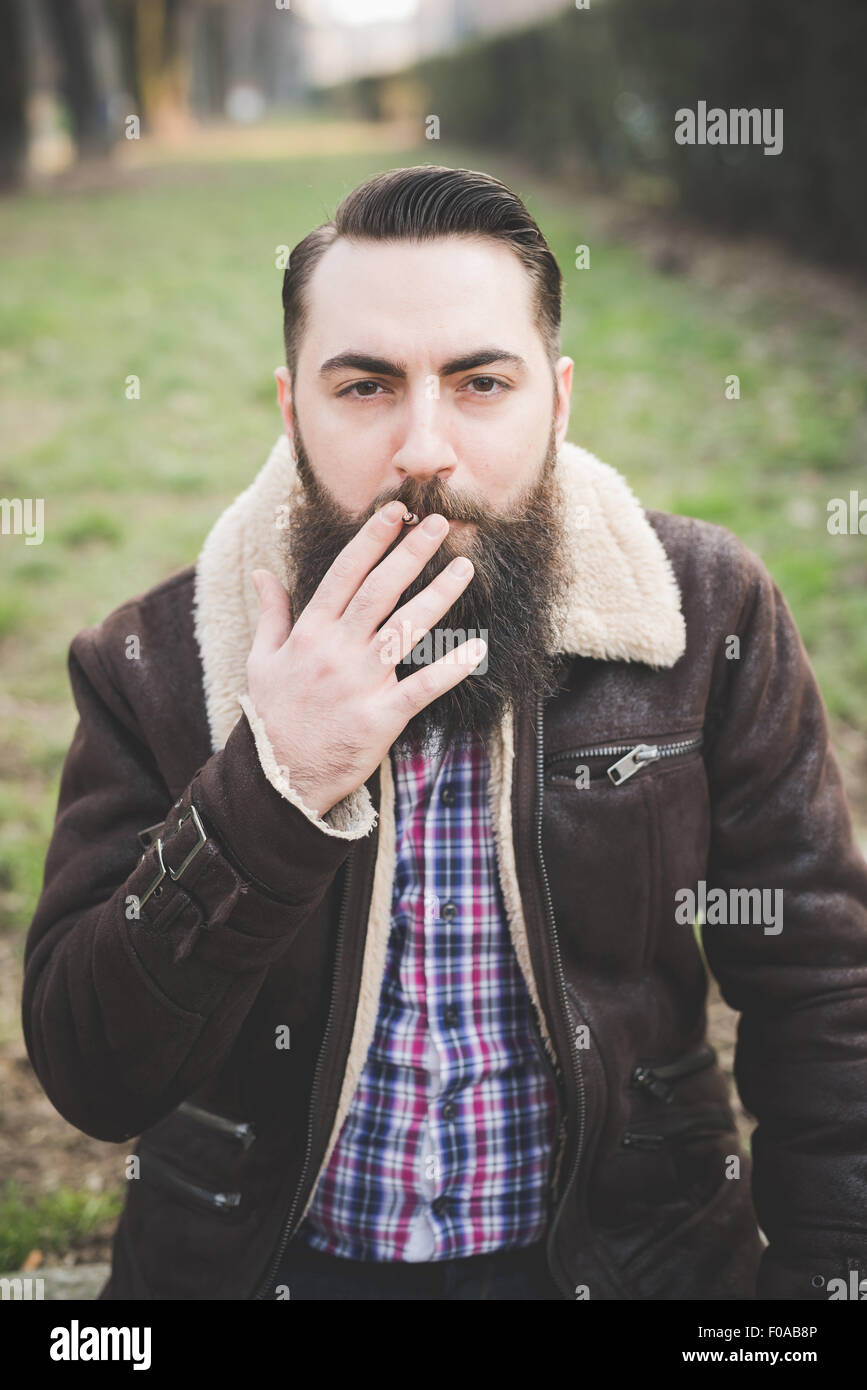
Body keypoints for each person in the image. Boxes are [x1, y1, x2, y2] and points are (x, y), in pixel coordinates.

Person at [23, 165, 867, 1301]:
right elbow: (92, 1072)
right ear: (291, 409)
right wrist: (274, 787)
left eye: (480, 382)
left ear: (558, 401)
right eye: (366, 387)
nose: (425, 448)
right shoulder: (157, 660)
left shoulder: (707, 613)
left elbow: (824, 996)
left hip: (634, 1266)